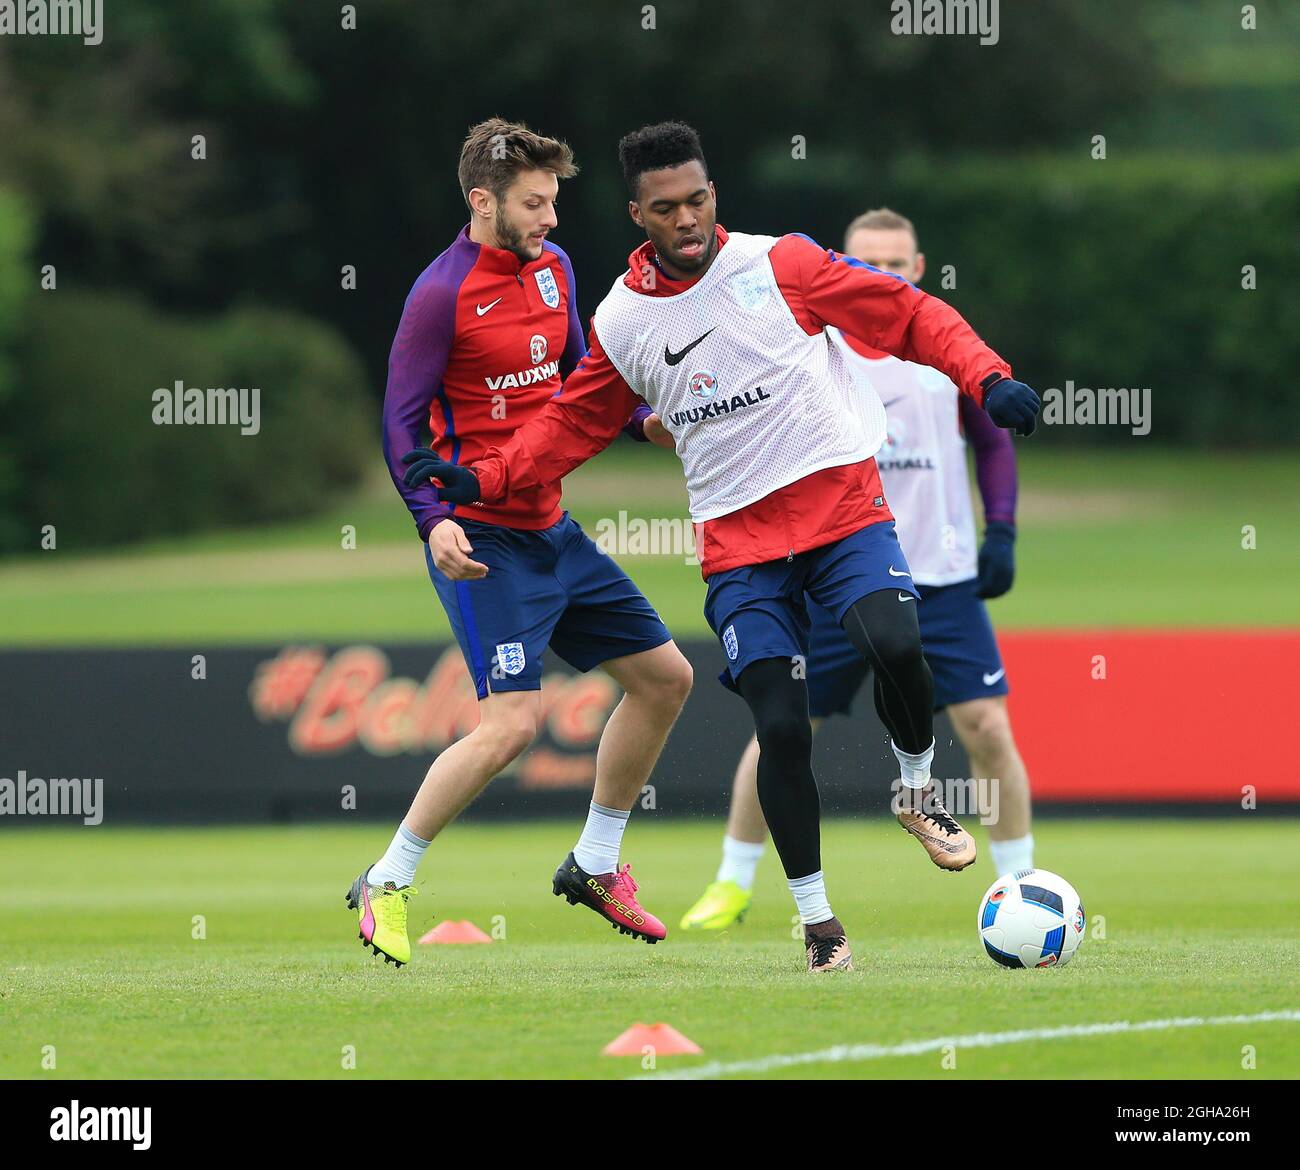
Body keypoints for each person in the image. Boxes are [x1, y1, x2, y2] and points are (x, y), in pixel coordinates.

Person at [407, 122, 1042, 972]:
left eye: (698, 199)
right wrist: (483, 482)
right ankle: (820, 928)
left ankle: (918, 789)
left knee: (895, 639)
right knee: (781, 728)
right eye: (666, 208)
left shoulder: (782, 265)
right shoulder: (625, 320)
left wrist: (988, 376)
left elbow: (908, 315)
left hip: (842, 506)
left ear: (715, 195)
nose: (688, 220)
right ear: (639, 215)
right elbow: (569, 424)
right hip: (739, 544)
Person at [353, 118, 694, 967]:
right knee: (510, 729)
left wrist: (649, 421)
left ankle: (596, 862)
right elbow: (399, 425)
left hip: (554, 529)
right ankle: (387, 881)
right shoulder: (440, 294)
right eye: (534, 203)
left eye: (553, 202)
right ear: (483, 201)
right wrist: (434, 523)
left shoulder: (556, 269)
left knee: (665, 680)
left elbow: (585, 383)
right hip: (484, 543)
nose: (550, 218)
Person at [679, 208, 1036, 933]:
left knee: (988, 727)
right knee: (782, 728)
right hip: (837, 565)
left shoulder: (938, 349)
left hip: (938, 573)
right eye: (867, 260)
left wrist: (1000, 528)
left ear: (918, 268)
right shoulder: (814, 342)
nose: (882, 272)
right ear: (844, 262)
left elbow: (993, 441)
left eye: (896, 263)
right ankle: (732, 881)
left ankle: (1021, 881)